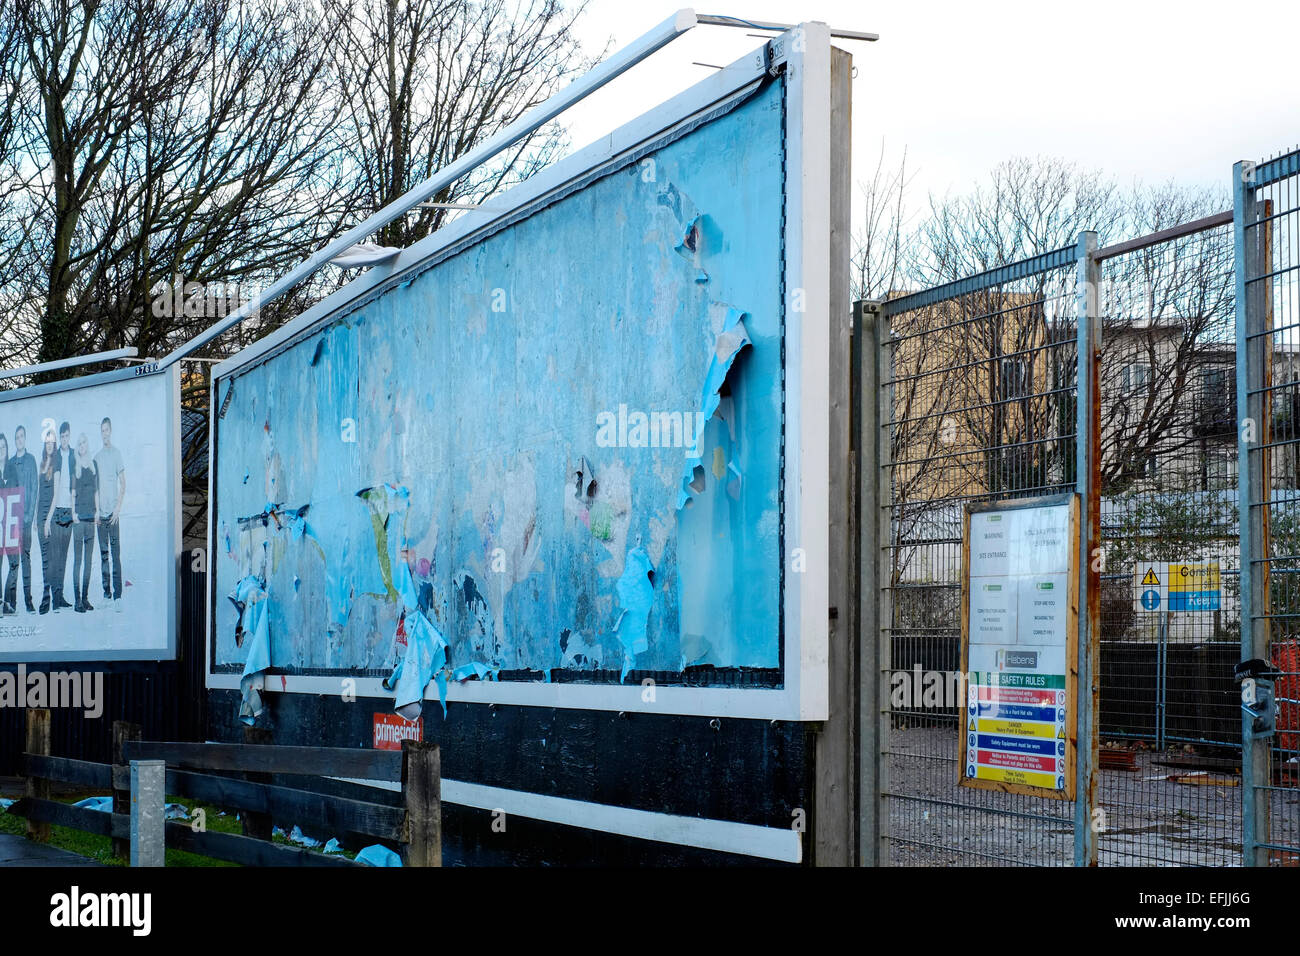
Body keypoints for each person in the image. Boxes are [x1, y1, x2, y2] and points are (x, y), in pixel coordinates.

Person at [5, 425, 39, 614]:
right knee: (14, 563)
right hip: (12, 522)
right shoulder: (9, 464)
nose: (19, 440)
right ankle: (13, 603)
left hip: (25, 520)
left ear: (25, 439)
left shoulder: (31, 460)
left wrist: (30, 516)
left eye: (21, 437)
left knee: (26, 559)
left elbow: (34, 489)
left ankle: (28, 601)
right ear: (14, 440)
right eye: (16, 437)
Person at [94, 416, 125, 611]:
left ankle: (118, 597)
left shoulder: (116, 454)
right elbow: (95, 488)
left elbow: (123, 484)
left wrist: (117, 509)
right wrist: (96, 511)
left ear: (111, 431)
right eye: (102, 430)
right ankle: (107, 595)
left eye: (107, 430)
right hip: (101, 515)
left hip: (113, 516)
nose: (104, 433)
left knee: (115, 555)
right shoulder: (96, 457)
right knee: (103, 556)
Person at [45, 421, 75, 612]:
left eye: (66, 436)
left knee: (64, 556)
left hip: (70, 512)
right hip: (57, 512)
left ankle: (60, 595)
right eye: (61, 436)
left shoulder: (73, 456)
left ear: (69, 436)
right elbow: (55, 492)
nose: (64, 439)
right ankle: (55, 597)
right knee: (56, 557)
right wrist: (48, 519)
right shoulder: (57, 458)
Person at [70, 433, 98, 613]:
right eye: (79, 443)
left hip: (91, 520)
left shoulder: (93, 466)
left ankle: (86, 598)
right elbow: (72, 493)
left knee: (89, 563)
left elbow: (96, 492)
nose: (82, 446)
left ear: (87, 444)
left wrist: (97, 514)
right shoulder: (76, 467)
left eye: (84, 442)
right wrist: (73, 513)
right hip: (79, 521)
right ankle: (77, 600)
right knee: (78, 562)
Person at [36, 429, 56, 614]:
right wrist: (37, 519)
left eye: (52, 442)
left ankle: (48, 597)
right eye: (46, 442)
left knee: (50, 559)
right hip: (39, 516)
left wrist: (48, 520)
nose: (49, 445)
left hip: (50, 517)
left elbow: (55, 495)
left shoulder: (56, 464)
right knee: (43, 559)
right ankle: (45, 593)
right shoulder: (41, 464)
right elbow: (38, 494)